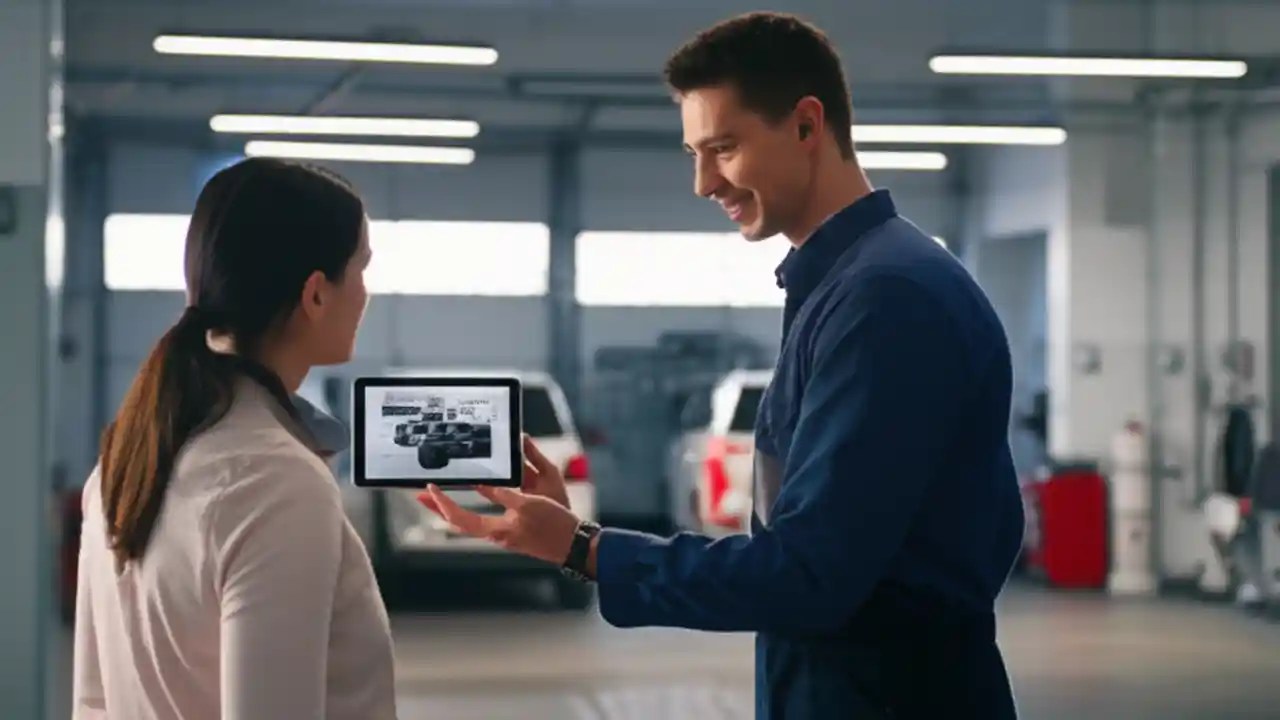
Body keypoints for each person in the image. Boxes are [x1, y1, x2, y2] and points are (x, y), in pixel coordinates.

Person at [421, 11, 1024, 720]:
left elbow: (809, 573)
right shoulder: (848, 284)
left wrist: (585, 547)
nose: (703, 181)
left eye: (725, 148)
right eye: (694, 153)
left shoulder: (886, 298)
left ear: (806, 126)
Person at [73, 157, 396, 719]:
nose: (366, 293)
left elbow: (92, 703)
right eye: (362, 269)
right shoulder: (277, 484)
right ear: (315, 294)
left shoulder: (124, 461)